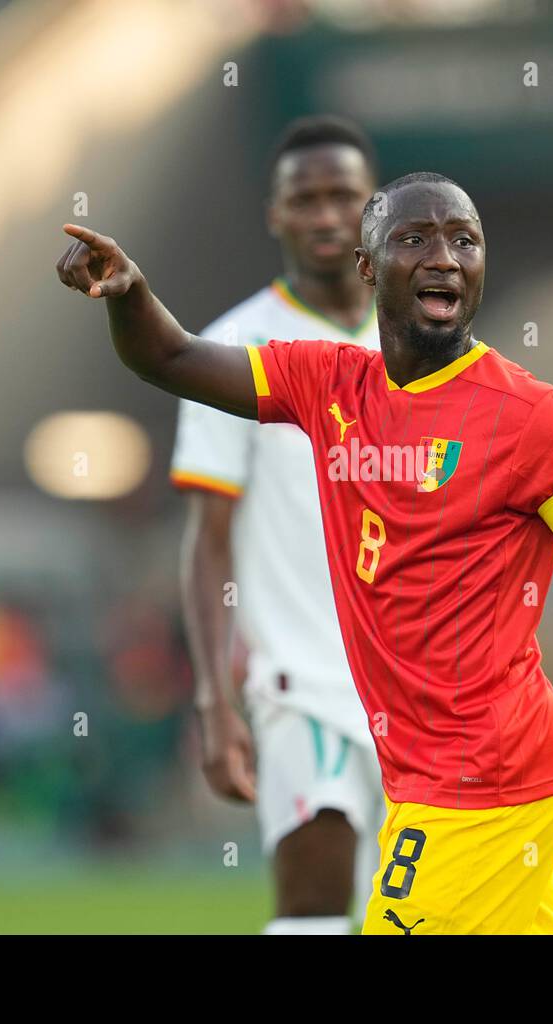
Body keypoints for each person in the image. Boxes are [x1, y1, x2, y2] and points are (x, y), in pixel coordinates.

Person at [56, 171, 553, 934]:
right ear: (368, 267)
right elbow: (171, 359)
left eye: (464, 241)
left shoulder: (533, 420)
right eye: (416, 239)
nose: (445, 257)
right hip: (426, 773)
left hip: (490, 777)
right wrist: (129, 292)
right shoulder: (329, 384)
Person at [169, 116, 383, 935]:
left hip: (423, 693)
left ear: (376, 210)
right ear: (276, 215)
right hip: (302, 686)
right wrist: (213, 701)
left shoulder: (426, 344)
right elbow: (208, 536)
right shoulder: (235, 347)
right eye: (307, 199)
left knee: (431, 915)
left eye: (345, 197)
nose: (327, 216)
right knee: (315, 912)